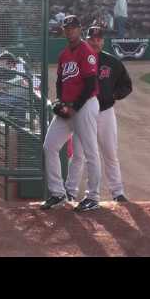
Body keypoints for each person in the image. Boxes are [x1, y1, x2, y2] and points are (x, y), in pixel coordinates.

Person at [41, 15, 102, 212]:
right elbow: (60, 81)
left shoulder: (87, 51)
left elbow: (91, 83)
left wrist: (74, 107)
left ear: (80, 29)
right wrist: (59, 101)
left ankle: (93, 197)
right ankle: (58, 194)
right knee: (50, 146)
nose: (70, 31)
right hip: (68, 107)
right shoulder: (64, 54)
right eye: (67, 28)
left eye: (74, 28)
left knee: (90, 152)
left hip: (85, 106)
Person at [65, 26, 132, 203]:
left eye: (99, 39)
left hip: (105, 112)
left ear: (103, 41)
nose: (95, 42)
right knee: (79, 154)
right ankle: (70, 191)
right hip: (83, 113)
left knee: (110, 152)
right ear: (86, 40)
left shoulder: (112, 62)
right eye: (92, 39)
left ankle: (117, 192)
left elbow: (126, 85)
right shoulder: (77, 60)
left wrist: (115, 95)